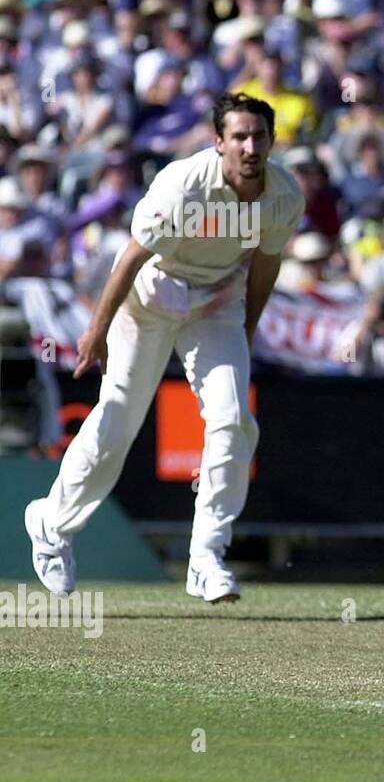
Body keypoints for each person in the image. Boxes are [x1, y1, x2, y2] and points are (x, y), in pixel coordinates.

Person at [25, 93, 306, 604]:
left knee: (232, 419)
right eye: (238, 137)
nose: (249, 147)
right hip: (151, 295)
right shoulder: (184, 185)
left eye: (258, 136)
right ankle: (51, 523)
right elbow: (131, 258)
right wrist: (96, 330)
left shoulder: (284, 195)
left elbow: (266, 264)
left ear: (271, 141)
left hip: (217, 303)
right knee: (119, 422)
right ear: (218, 143)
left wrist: (246, 329)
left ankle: (206, 557)